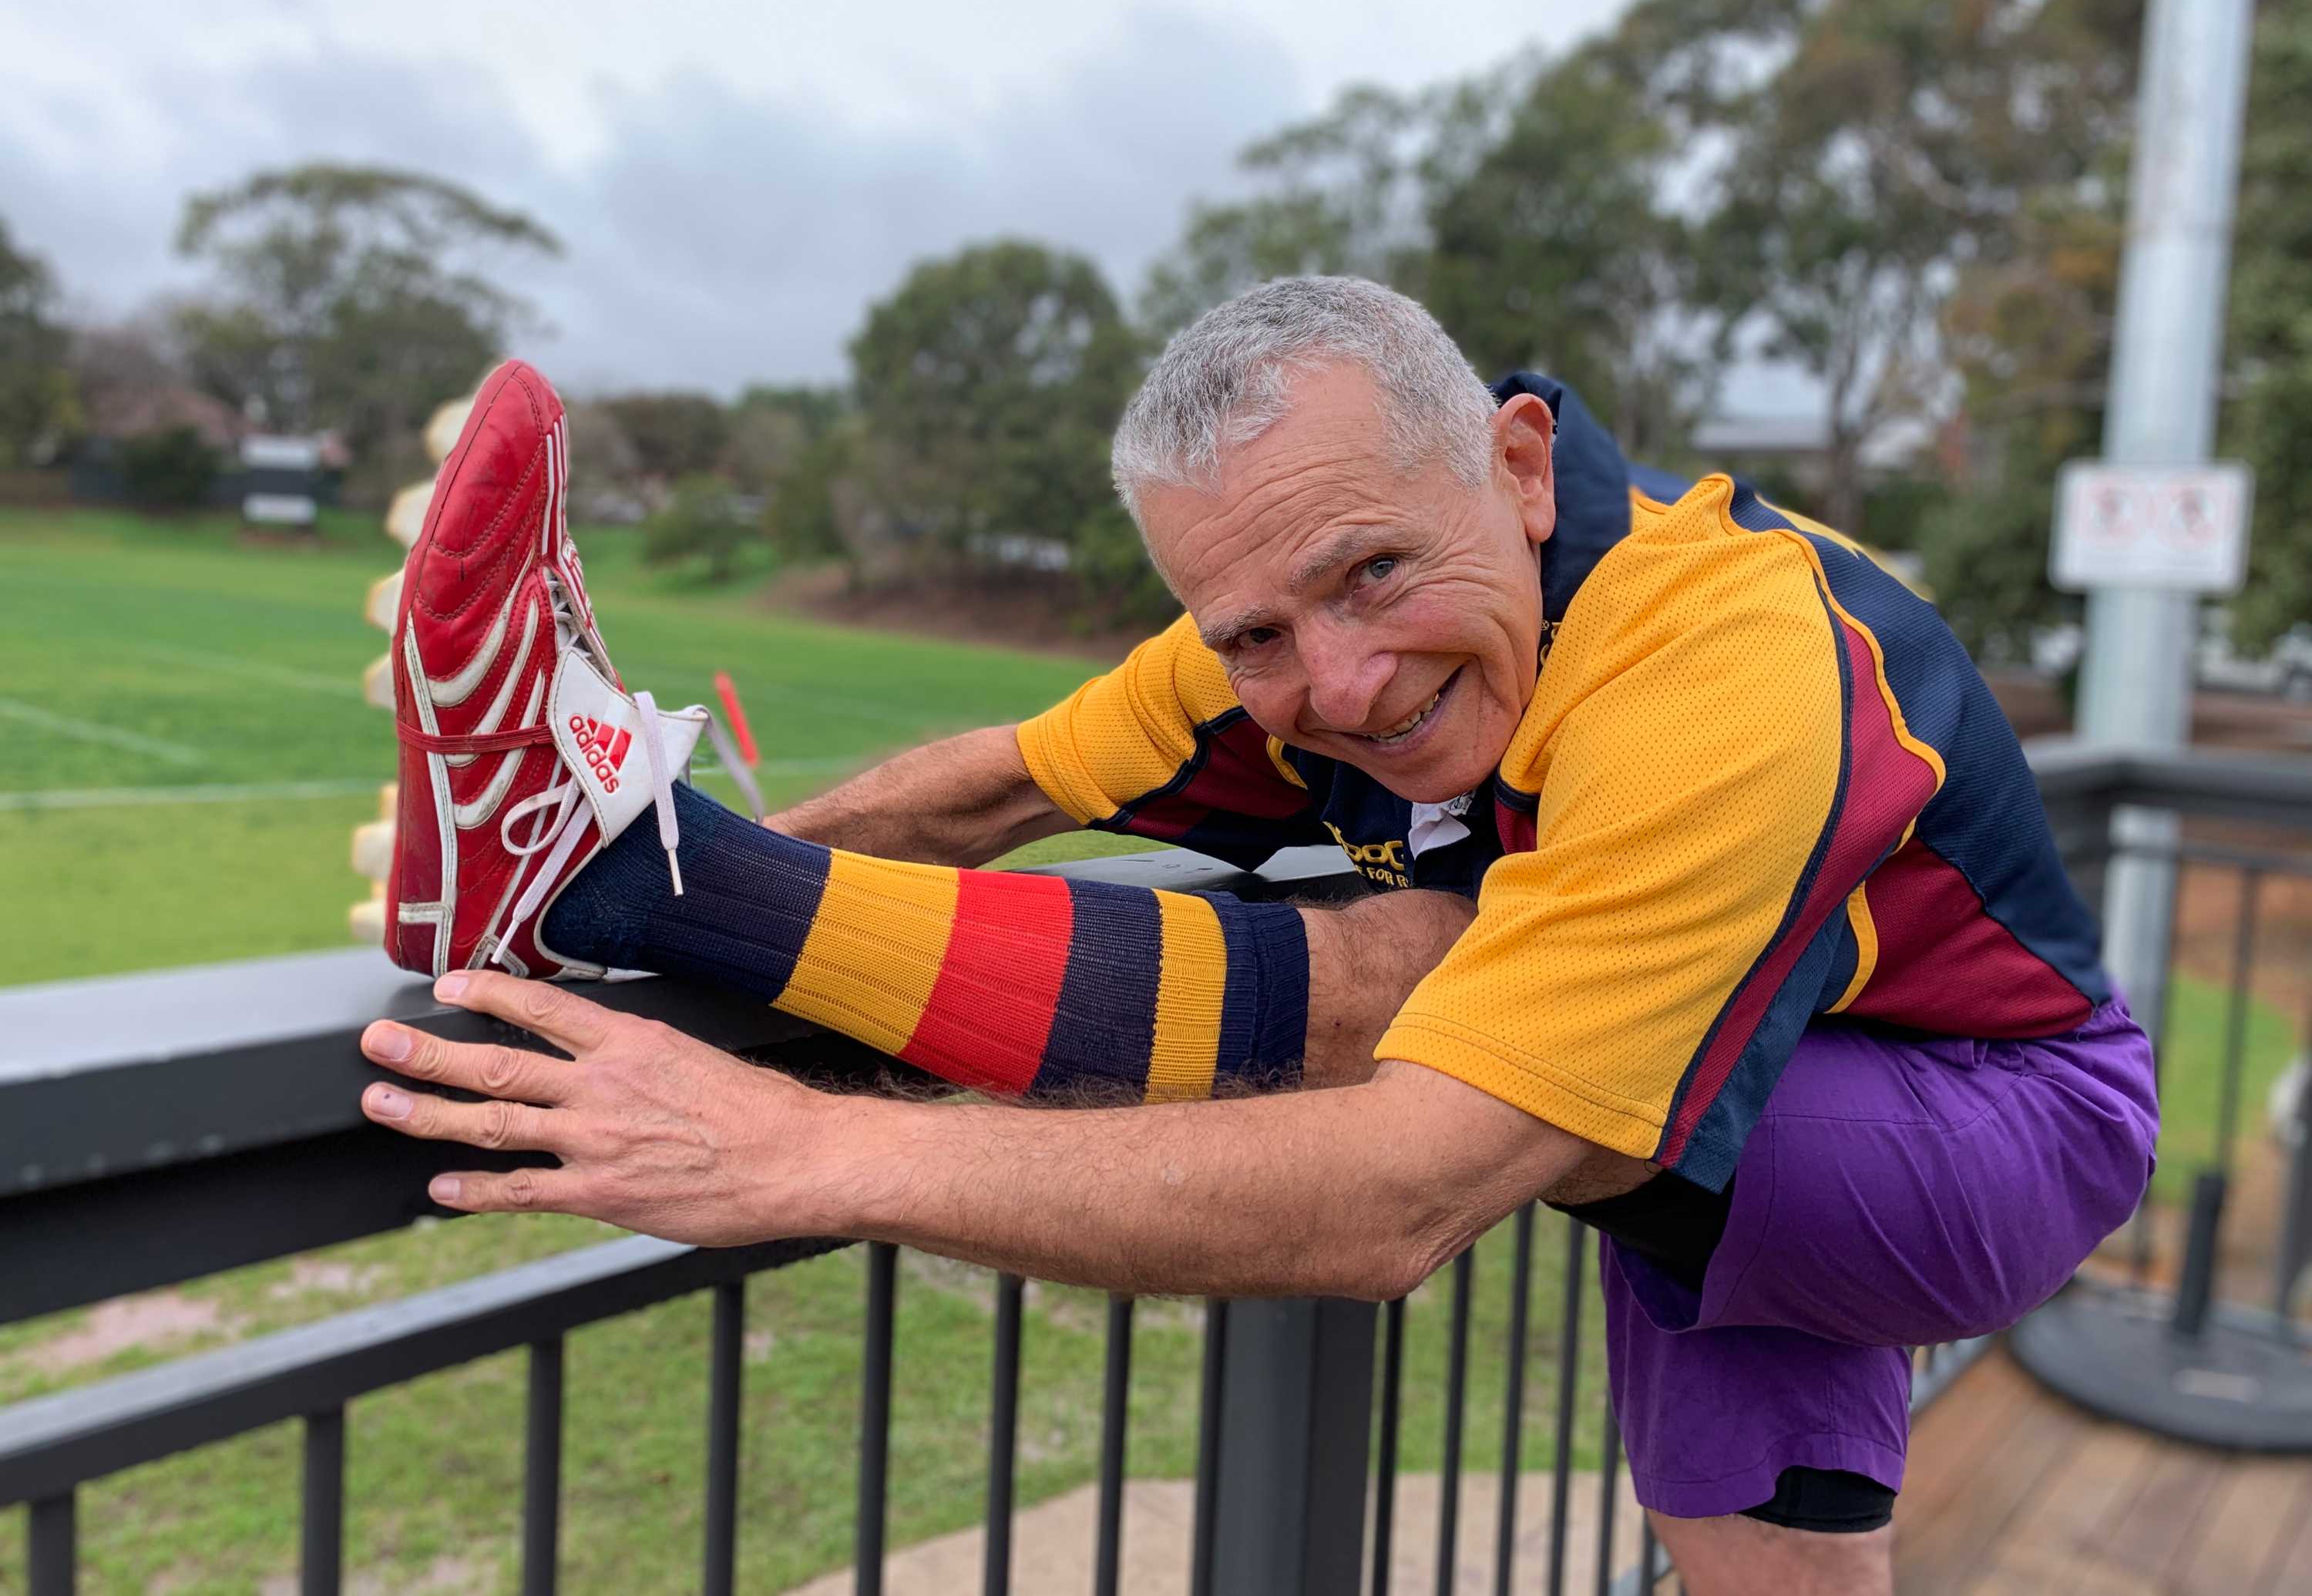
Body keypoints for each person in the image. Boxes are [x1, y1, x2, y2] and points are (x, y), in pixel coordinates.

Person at [363, 277, 2156, 1594]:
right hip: (1768, 1095)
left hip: (2002, 1125)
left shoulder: (1725, 664)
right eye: (1258, 633)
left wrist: (813, 1149)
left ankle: (632, 868)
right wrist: (598, 878)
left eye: (1379, 573)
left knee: (1428, 963)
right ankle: (619, 863)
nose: (1341, 680)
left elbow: (1403, 1194)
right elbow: (987, 793)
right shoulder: (1273, 612)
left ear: (1522, 466)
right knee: (1769, 1569)